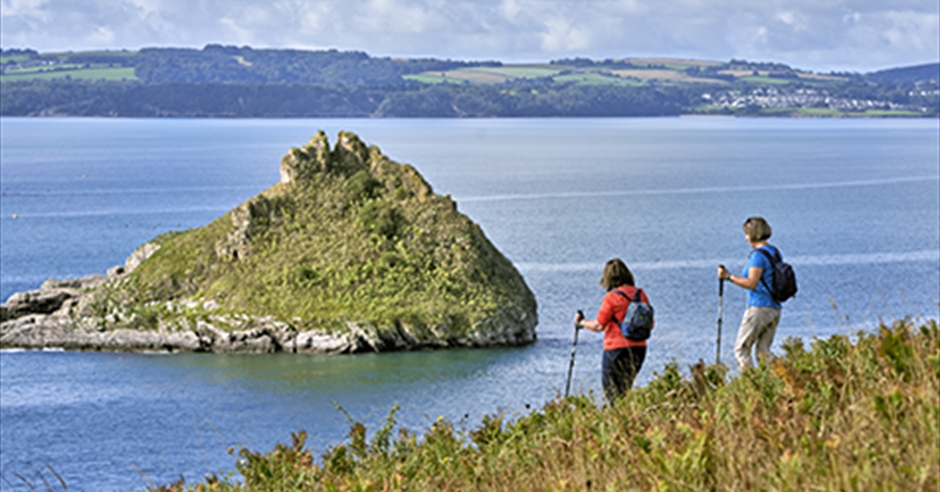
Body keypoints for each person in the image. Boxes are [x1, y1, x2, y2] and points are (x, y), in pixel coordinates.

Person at [574, 258, 650, 403]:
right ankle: (629, 419)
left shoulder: (611, 298)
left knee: (612, 392)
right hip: (639, 350)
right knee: (625, 390)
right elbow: (650, 324)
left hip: (616, 351)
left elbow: (598, 326)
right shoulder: (640, 295)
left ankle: (622, 422)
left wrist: (582, 322)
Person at [717, 216, 782, 369]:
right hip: (775, 308)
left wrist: (728, 277)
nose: (746, 239)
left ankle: (752, 383)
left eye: (747, 234)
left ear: (754, 234)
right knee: (763, 351)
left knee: (741, 349)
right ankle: (768, 385)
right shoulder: (775, 252)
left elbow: (752, 283)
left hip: (759, 308)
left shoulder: (758, 257)